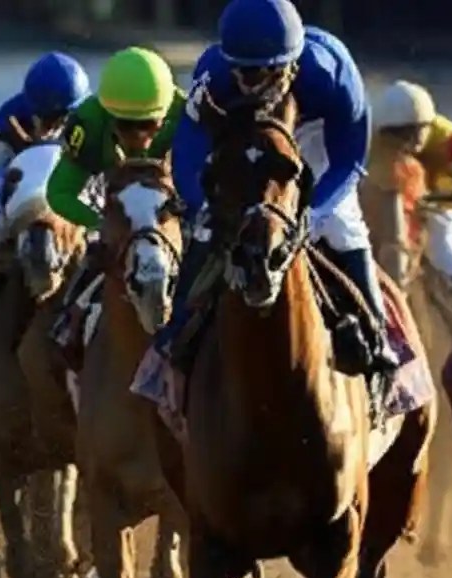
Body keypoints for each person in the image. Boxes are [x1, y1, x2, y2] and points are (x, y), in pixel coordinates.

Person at [161, 0, 401, 378]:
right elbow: (188, 153)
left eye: (261, 75)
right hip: (243, 138)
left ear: (290, 66)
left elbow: (350, 161)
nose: (251, 86)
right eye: (242, 73)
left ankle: (378, 336)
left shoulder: (332, 75)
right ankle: (174, 334)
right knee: (207, 229)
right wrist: (203, 205)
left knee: (342, 227)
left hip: (314, 135)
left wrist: (315, 213)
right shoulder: (213, 75)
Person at [45, 46, 187, 356]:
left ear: (165, 114)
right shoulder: (89, 123)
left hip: (173, 216)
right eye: (125, 125)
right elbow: (59, 193)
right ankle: (70, 322)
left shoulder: (186, 116)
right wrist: (102, 224)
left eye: (149, 125)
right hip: (117, 217)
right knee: (86, 274)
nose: (139, 136)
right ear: (107, 114)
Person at [0, 51, 90, 334]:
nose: (55, 125)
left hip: (79, 218)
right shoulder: (8, 123)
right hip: (17, 218)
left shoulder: (93, 124)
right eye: (49, 118)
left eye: (64, 117)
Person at [374, 79, 452, 316]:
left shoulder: (451, 139)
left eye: (413, 131)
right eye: (398, 134)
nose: (407, 142)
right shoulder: (380, 143)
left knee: (440, 235)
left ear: (427, 124)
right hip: (414, 201)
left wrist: (430, 201)